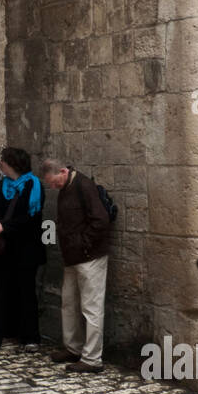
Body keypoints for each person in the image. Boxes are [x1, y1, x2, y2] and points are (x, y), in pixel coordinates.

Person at [41, 159, 111, 373]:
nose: (54, 187)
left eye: (55, 182)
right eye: (51, 185)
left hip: (89, 257)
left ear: (63, 171)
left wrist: (83, 243)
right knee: (69, 304)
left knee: (91, 308)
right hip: (72, 258)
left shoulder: (84, 186)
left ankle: (92, 359)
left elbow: (101, 220)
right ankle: (73, 348)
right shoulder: (66, 187)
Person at [0, 147, 46, 354]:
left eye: (3, 160)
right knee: (0, 292)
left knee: (26, 292)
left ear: (13, 164)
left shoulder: (33, 186)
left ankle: (30, 337)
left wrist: (4, 227)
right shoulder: (0, 184)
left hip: (26, 249)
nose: (0, 163)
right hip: (2, 250)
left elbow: (30, 219)